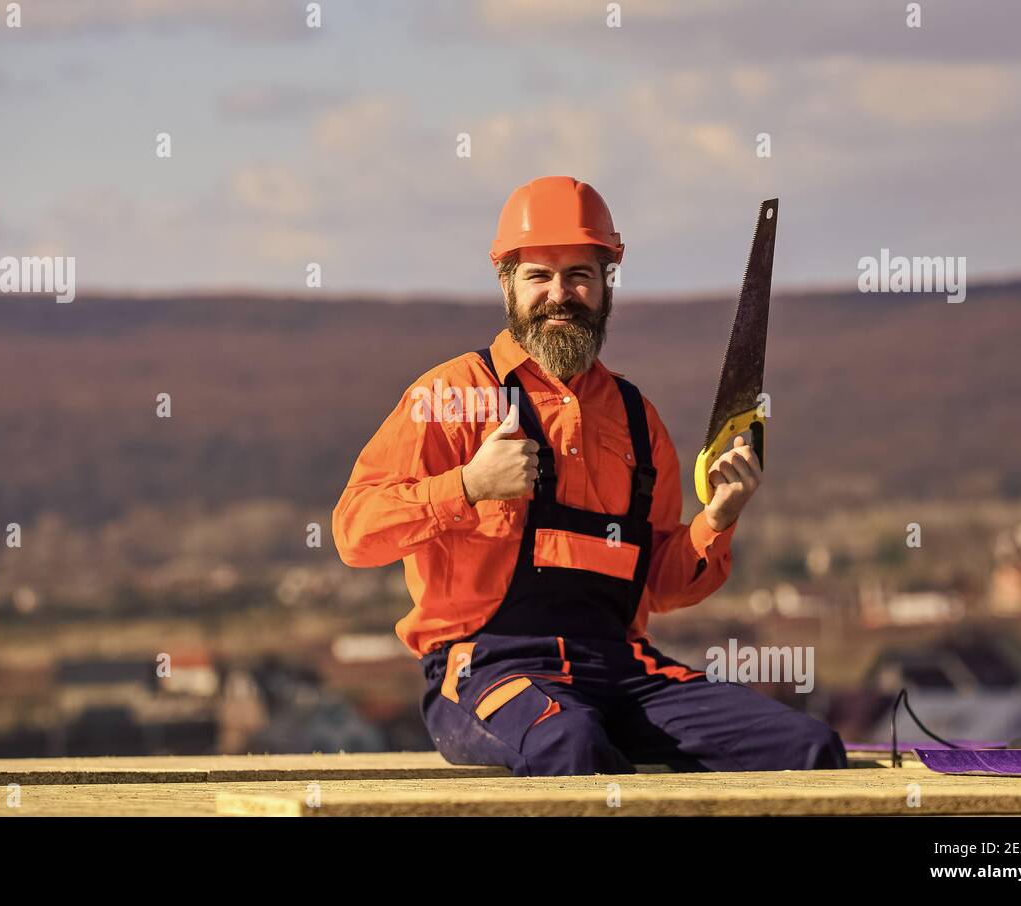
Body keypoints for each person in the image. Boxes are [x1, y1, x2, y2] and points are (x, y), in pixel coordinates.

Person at [333, 176, 846, 776]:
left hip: (621, 668)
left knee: (809, 749)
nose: (561, 294)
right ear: (507, 284)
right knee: (571, 745)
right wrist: (468, 487)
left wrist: (716, 520)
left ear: (607, 285)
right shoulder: (451, 395)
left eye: (580, 274)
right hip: (486, 669)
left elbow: (659, 582)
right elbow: (354, 533)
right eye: (538, 276)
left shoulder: (635, 418)